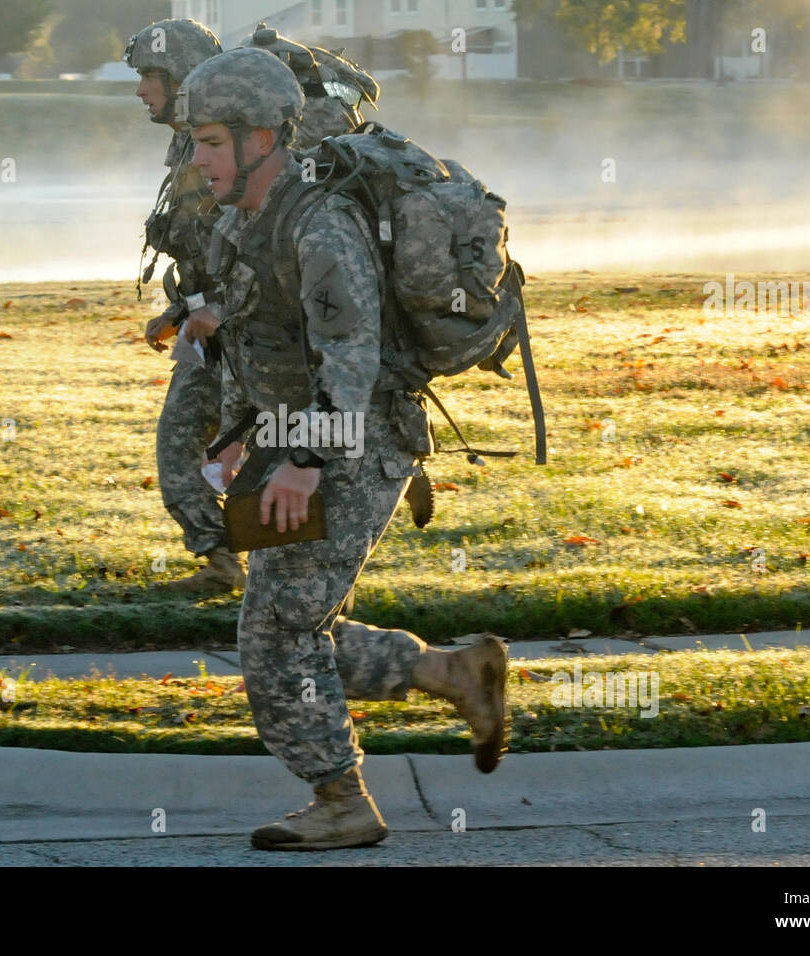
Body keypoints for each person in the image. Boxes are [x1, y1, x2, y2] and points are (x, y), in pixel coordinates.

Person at [178, 47, 511, 852]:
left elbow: (350, 356)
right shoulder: (242, 218)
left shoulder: (320, 223)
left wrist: (303, 461)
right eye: (196, 141)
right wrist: (234, 437)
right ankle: (452, 674)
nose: (198, 157)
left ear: (263, 137)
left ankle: (343, 802)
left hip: (355, 442)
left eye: (212, 141)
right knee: (295, 623)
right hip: (297, 436)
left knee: (279, 634)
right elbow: (254, 336)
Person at [123, 18, 243, 595]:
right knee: (182, 445)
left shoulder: (230, 142)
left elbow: (258, 246)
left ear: (182, 76)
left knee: (269, 447)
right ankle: (224, 564)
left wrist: (217, 309)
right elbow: (202, 243)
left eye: (150, 76)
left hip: (248, 330)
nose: (142, 90)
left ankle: (267, 573)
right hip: (210, 327)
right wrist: (179, 308)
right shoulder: (190, 140)